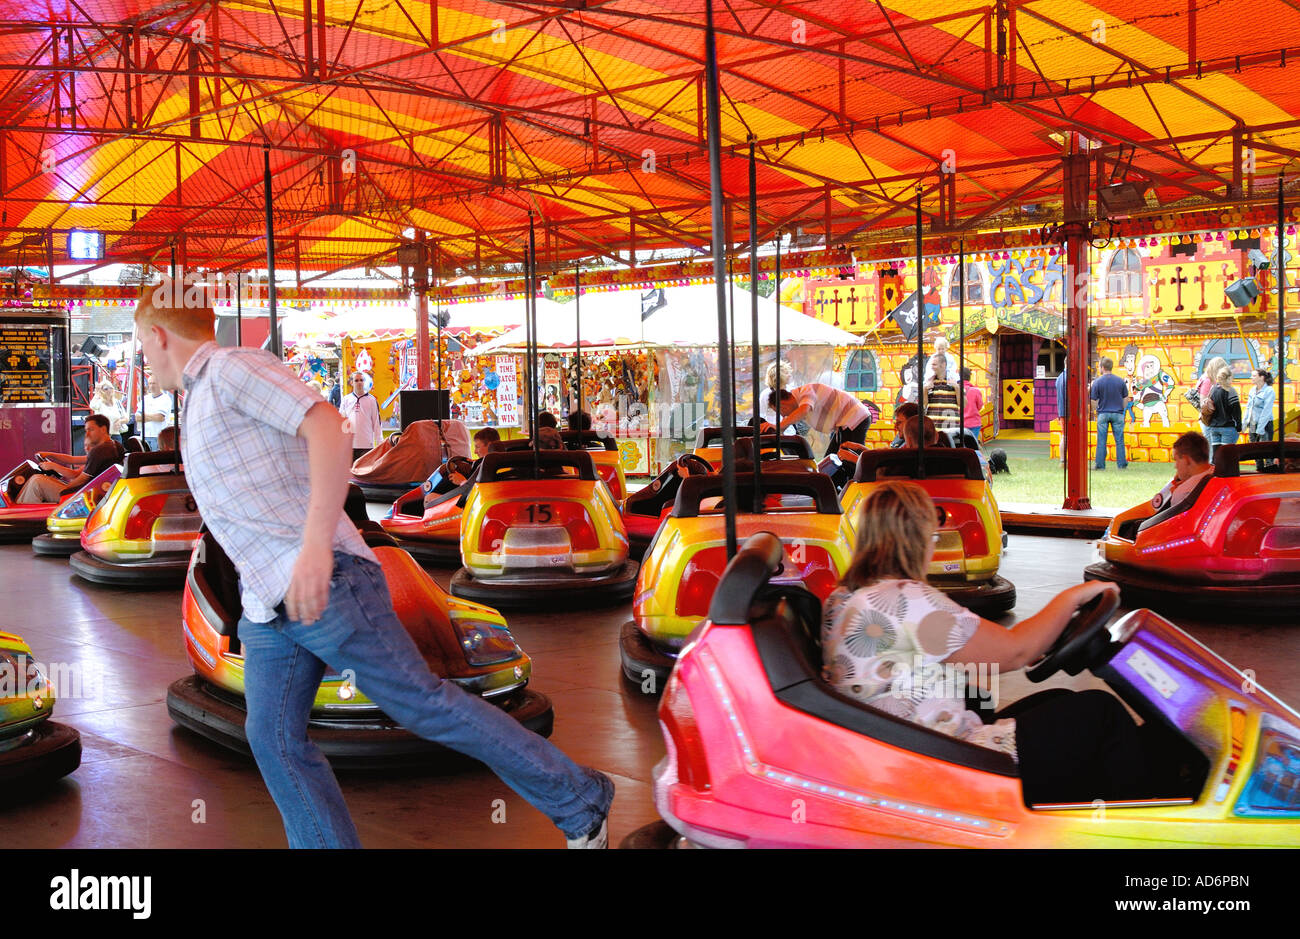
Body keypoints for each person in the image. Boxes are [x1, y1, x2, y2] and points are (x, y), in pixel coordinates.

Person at [133, 292, 614, 849]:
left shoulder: (231, 368)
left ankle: (579, 800)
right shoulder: (198, 395)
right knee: (271, 738)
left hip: (324, 576)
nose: (145, 356)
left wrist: (315, 545)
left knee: (420, 703)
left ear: (161, 335)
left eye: (144, 342)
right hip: (268, 602)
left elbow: (331, 430)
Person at [822, 481, 1145, 805]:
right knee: (1101, 714)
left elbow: (985, 648)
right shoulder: (904, 599)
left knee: (1059, 699)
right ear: (916, 539)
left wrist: (1044, 637)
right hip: (949, 762)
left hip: (905, 748)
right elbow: (1016, 650)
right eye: (932, 538)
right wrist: (1072, 596)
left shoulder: (843, 598)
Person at [18, 414, 124, 503]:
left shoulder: (100, 451)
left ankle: (23, 517)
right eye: (86, 430)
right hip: (87, 491)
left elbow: (77, 477)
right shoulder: (113, 445)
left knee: (36, 481)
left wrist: (63, 487)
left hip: (81, 496)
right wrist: (49, 454)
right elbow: (72, 459)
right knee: (39, 479)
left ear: (103, 429)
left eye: (90, 430)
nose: (87, 434)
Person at [768, 383, 872, 458]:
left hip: (854, 418)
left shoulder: (806, 390)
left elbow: (804, 410)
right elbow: (796, 417)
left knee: (847, 458)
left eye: (779, 411)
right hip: (846, 423)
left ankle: (853, 485)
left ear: (782, 405)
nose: (783, 415)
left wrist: (779, 426)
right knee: (830, 459)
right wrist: (779, 429)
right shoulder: (801, 402)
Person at [1149, 432, 1212, 514]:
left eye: (1176, 460)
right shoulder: (1216, 474)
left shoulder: (1181, 493)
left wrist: (1175, 492)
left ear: (1187, 460)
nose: (1175, 466)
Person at [1089, 356, 1129, 470]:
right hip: (1118, 413)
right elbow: (1126, 397)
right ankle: (1121, 464)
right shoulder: (1120, 381)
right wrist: (1122, 409)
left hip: (1103, 413)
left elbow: (1093, 400)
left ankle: (1100, 465)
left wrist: (1095, 411)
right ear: (1111, 367)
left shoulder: (1097, 382)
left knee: (1101, 440)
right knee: (1119, 440)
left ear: (1102, 367)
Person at [339, 371, 382, 461]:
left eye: (361, 380)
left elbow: (376, 423)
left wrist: (379, 443)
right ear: (352, 382)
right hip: (350, 445)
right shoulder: (346, 399)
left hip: (367, 444)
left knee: (365, 472)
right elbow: (342, 421)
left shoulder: (371, 400)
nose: (359, 383)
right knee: (350, 473)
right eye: (356, 380)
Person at [1204, 366, 1242, 461]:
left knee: (1216, 456)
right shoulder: (1230, 391)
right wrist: (1239, 427)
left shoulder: (1213, 389)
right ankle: (1227, 475)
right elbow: (1236, 411)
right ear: (1229, 378)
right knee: (1227, 456)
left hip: (1214, 427)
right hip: (1227, 427)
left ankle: (1216, 474)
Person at [1245, 368, 1276, 470]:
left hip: (1265, 424)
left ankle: (1270, 469)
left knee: (1266, 449)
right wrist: (1245, 423)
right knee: (1254, 449)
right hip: (1253, 423)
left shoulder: (1269, 391)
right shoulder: (1252, 390)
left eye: (1254, 376)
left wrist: (1260, 428)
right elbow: (1249, 408)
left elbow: (1266, 411)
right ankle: (1259, 468)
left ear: (1261, 377)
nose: (1251, 378)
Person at [924, 358, 961, 441]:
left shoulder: (954, 381)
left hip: (951, 428)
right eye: (931, 364)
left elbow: (962, 404)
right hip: (934, 428)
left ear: (943, 365)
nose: (932, 367)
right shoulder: (929, 382)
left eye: (934, 364)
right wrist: (925, 390)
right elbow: (924, 404)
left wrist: (957, 388)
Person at [136, 374, 174, 450]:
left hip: (158, 436)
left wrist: (145, 416)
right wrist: (153, 417)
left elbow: (160, 418)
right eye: (150, 383)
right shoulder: (145, 398)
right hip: (144, 436)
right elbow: (137, 417)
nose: (152, 386)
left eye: (154, 383)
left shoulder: (165, 399)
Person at [1195, 356, 1229, 437]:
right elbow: (1203, 402)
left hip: (1211, 419)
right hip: (1210, 420)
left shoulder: (1207, 378)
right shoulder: (1208, 381)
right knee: (1212, 447)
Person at [959, 367, 984, 448]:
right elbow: (980, 406)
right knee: (973, 446)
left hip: (960, 423)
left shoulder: (955, 389)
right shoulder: (976, 391)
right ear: (969, 377)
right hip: (974, 423)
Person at [1055, 363, 1068, 465]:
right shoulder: (1070, 378)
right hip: (1070, 412)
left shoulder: (1059, 378)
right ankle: (1064, 460)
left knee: (1064, 436)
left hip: (1062, 411)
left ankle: (1062, 460)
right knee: (1067, 437)